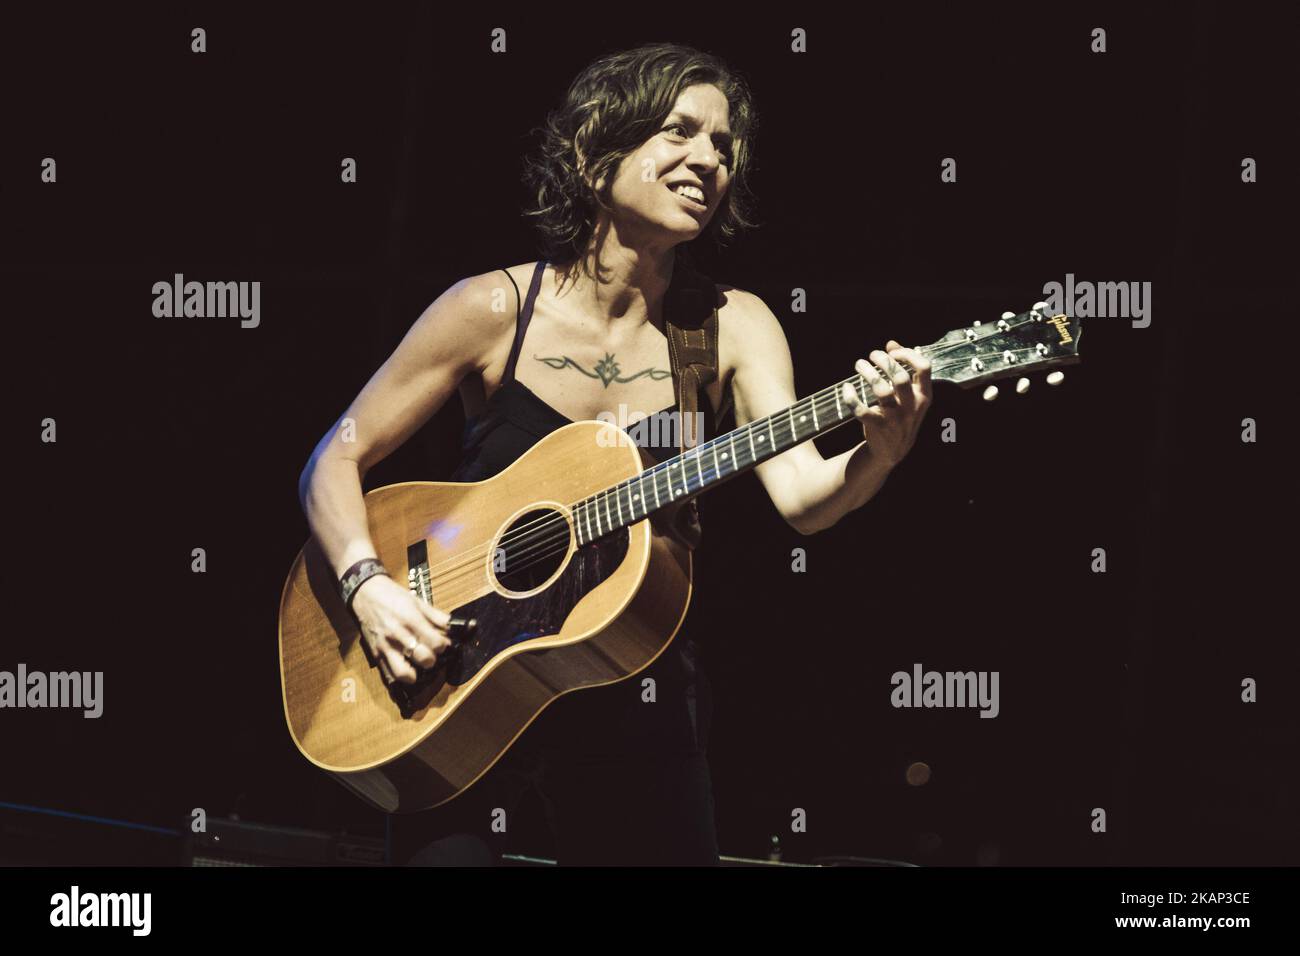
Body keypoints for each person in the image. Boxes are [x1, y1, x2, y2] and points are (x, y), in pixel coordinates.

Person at [297, 42, 932, 865]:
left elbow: (805, 495)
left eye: (725, 147)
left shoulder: (731, 326)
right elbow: (332, 462)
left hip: (638, 687)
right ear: (602, 148)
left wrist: (877, 454)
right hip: (460, 679)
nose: (708, 159)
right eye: (680, 131)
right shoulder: (493, 308)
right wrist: (369, 587)